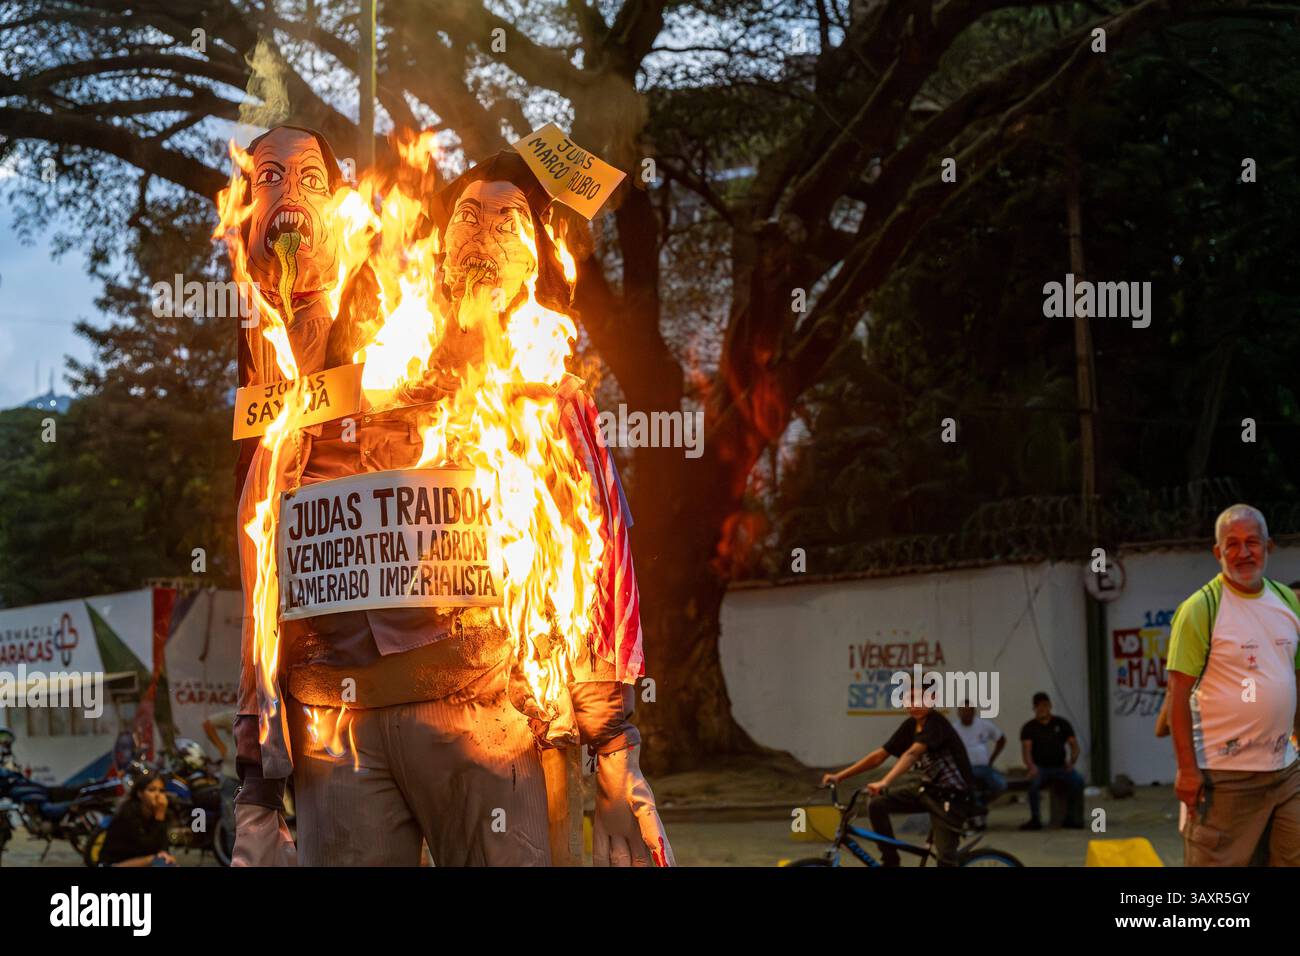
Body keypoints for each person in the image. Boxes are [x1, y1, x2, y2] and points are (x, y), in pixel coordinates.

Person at [229, 127, 672, 867]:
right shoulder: (353, 379)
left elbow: (597, 562)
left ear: (538, 255)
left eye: (509, 222)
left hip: (489, 716)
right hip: (333, 727)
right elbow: (266, 565)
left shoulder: (542, 392)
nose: (483, 236)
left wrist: (615, 746)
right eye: (467, 216)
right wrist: (253, 768)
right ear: (435, 247)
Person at [1166, 503, 1300, 866]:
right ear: (1217, 552)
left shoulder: (1287, 601)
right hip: (1224, 780)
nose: (1243, 553)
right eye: (1233, 544)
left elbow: (1294, 679)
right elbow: (1177, 696)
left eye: (1252, 542)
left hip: (1285, 772)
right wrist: (1187, 771)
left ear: (1268, 546)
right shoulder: (1201, 608)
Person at [821, 689, 975, 866]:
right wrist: (839, 776)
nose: (914, 704)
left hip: (952, 799)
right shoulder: (911, 725)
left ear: (933, 699)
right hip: (928, 791)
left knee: (945, 861)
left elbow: (912, 753)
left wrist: (885, 781)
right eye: (909, 699)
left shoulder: (936, 724)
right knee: (877, 803)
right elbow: (880, 755)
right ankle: (891, 861)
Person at [1018, 691, 1085, 830]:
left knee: (1078, 781)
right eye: (1037, 706)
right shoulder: (1029, 727)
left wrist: (1072, 763)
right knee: (1033, 785)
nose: (1041, 709)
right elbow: (1026, 750)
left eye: (1044, 705)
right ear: (1034, 708)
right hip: (1040, 768)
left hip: (1061, 767)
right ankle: (1035, 819)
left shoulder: (1062, 723)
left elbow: (1074, 746)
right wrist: (1031, 767)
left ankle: (1072, 818)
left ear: (1050, 706)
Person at [99, 770, 177, 867]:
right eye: (151, 790)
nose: (158, 795)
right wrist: (160, 816)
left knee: (168, 862)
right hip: (115, 863)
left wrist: (164, 853)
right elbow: (146, 847)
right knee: (158, 861)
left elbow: (163, 842)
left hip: (141, 860)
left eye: (161, 791)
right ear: (140, 794)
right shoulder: (127, 814)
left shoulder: (161, 812)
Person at [955, 704, 1007, 800]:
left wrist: (992, 758)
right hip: (964, 769)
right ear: (958, 713)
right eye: (963, 711)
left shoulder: (984, 725)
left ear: (973, 712)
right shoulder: (954, 729)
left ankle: (983, 801)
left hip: (984, 767)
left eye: (968, 711)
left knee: (1001, 785)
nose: (965, 714)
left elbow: (1001, 739)